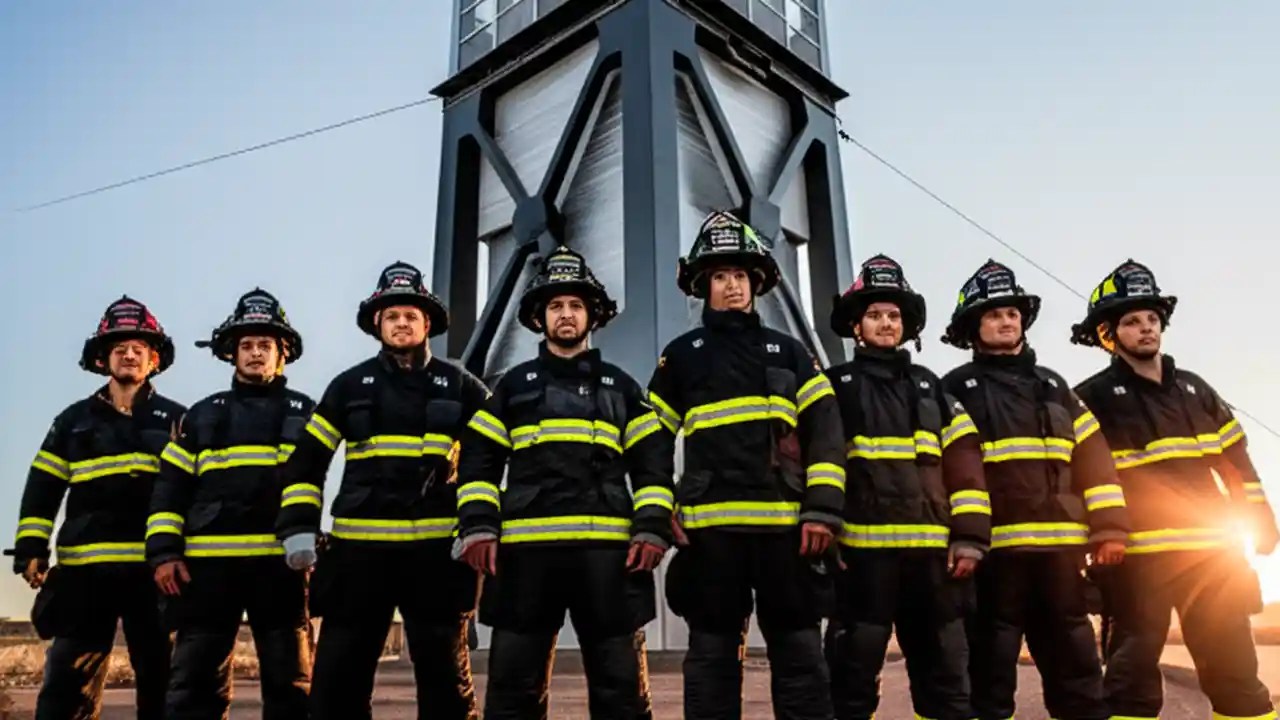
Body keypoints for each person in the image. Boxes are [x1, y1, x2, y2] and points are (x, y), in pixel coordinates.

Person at [454, 246, 674, 719]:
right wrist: (477, 525)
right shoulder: (512, 387)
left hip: (609, 560)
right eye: (556, 306)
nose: (567, 315)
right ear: (540, 317)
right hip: (526, 559)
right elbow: (478, 460)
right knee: (514, 691)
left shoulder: (622, 389)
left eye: (576, 306)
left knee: (621, 693)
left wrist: (652, 526)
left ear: (592, 316)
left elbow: (653, 464)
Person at [647, 210, 846, 720]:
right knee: (711, 663)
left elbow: (826, 431)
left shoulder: (792, 353)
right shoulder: (681, 356)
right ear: (702, 284)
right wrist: (657, 506)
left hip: (787, 535)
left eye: (739, 275)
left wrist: (822, 508)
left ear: (755, 283)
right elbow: (651, 438)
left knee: (801, 659)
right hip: (710, 537)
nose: (731, 286)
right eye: (719, 276)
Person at [275, 262, 491, 720]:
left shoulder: (460, 385)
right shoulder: (348, 386)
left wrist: (479, 524)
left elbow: (493, 455)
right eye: (392, 316)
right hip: (359, 559)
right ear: (377, 324)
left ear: (427, 323)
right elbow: (307, 461)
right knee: (337, 686)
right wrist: (297, 528)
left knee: (447, 687)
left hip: (436, 557)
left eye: (411, 315)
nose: (401, 323)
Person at [1072, 259, 1279, 720]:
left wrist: (1261, 516)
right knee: (1131, 683)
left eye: (1152, 319)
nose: (1147, 329)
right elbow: (1078, 478)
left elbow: (1236, 460)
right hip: (1136, 561)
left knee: (1237, 677)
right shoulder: (1090, 398)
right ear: (1107, 335)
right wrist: (1089, 544)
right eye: (1132, 321)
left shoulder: (1195, 389)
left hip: (1214, 557)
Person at [938, 260, 1129, 720]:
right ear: (973, 328)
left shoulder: (1055, 386)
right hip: (994, 558)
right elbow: (948, 473)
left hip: (1062, 556)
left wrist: (1109, 527)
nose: (1006, 321)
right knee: (988, 676)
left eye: (1012, 313)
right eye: (993, 315)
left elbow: (1094, 458)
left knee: (1080, 674)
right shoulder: (955, 388)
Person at [822, 255, 989, 720]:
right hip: (861, 561)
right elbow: (817, 461)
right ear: (856, 326)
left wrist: (971, 537)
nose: (886, 323)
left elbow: (966, 465)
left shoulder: (931, 388)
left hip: (934, 564)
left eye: (894, 316)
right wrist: (823, 528)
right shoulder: (835, 386)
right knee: (850, 684)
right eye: (875, 315)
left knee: (946, 687)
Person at [12, 296, 184, 719]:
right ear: (103, 358)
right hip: (84, 575)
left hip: (154, 575)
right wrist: (32, 547)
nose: (129, 354)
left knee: (162, 683)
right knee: (67, 687)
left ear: (154, 360)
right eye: (120, 348)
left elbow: (190, 493)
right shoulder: (72, 421)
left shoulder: (178, 420)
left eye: (139, 349)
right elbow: (43, 486)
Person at [148, 289, 314, 718]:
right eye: (246, 346)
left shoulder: (307, 413)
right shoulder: (201, 416)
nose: (256, 353)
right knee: (193, 689)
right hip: (206, 573)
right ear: (231, 354)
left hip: (281, 571)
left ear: (283, 354)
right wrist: (165, 553)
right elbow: (170, 490)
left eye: (265, 345)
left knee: (291, 686)